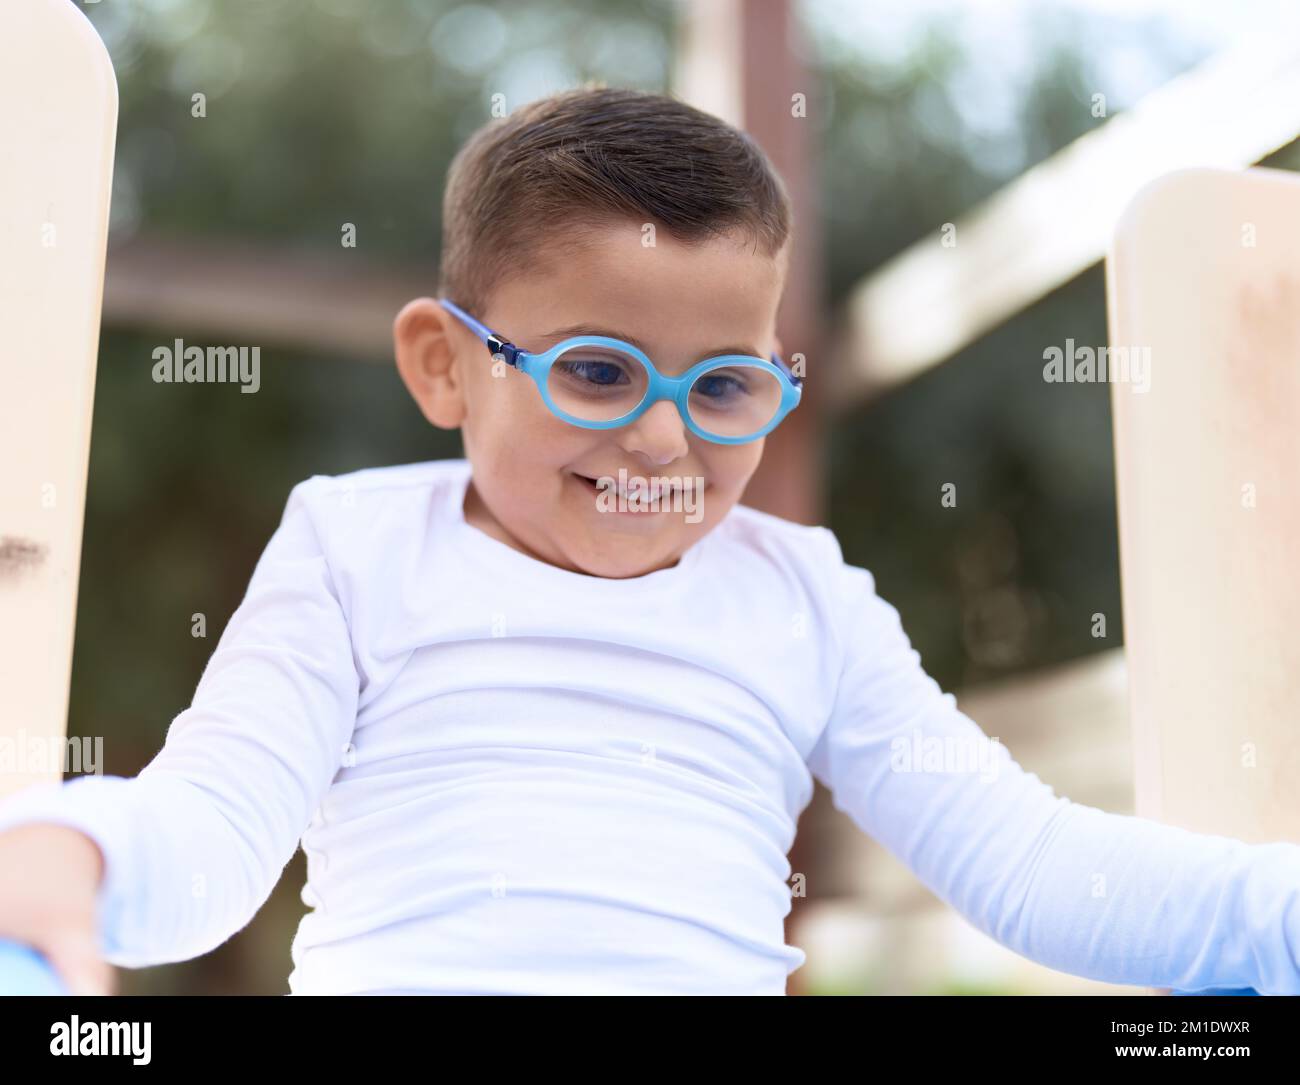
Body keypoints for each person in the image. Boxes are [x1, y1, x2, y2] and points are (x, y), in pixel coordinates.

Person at [1, 86, 1297, 996]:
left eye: (725, 387)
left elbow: (1025, 856)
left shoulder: (803, 598)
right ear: (445, 365)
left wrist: (1268, 910)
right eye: (602, 373)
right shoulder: (355, 550)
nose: (666, 445)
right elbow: (216, 826)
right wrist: (79, 852)